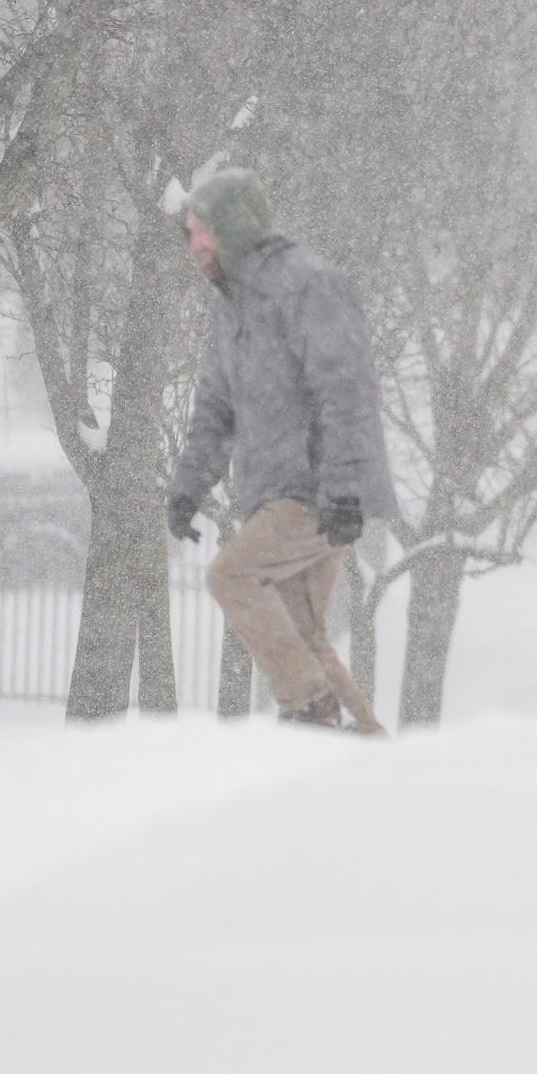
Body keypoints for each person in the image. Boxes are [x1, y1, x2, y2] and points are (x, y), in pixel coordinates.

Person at [164, 165, 397, 735]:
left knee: (230, 578)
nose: (194, 244)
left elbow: (346, 391)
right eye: (191, 230)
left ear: (236, 227)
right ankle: (371, 747)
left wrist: (343, 489)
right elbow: (215, 408)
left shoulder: (310, 285)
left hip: (316, 492)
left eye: (203, 230)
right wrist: (189, 484)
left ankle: (309, 708)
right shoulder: (231, 305)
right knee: (306, 633)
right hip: (280, 492)